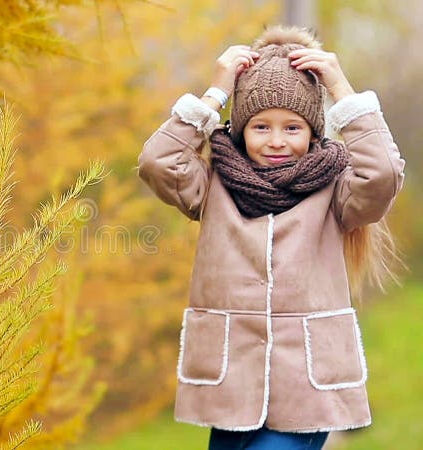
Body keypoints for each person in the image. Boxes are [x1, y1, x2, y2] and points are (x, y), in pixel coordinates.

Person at [136, 25, 405, 450]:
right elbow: (157, 162)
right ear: (240, 129)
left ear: (313, 132)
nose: (276, 141)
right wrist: (215, 93)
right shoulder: (212, 185)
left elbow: (384, 175)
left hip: (308, 389)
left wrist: (341, 88)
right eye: (261, 126)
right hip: (230, 387)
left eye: (292, 128)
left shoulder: (337, 192)